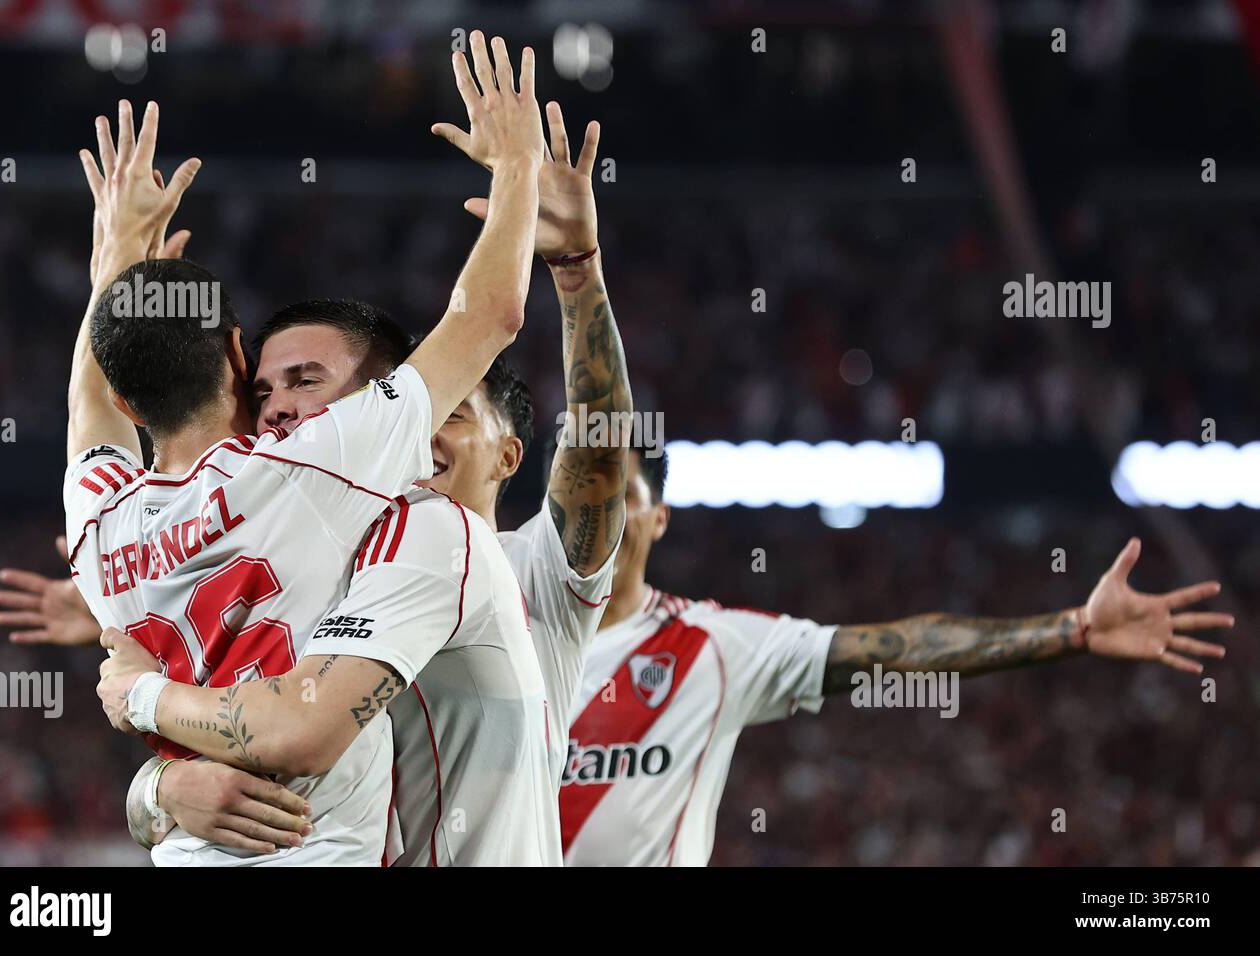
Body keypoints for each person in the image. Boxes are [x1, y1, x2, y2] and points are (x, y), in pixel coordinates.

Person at [75, 31, 556, 866]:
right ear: (233, 356)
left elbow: (90, 408)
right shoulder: (306, 471)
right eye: (266, 389)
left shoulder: (96, 526)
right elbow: (488, 318)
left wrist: (116, 263)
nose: (284, 410)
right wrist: (519, 168)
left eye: (307, 383)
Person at [556, 446, 1234, 865]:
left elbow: (903, 646)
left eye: (622, 495)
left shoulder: (716, 645)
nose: (597, 510)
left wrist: (1074, 627)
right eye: (580, 489)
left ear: (660, 517)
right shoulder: (509, 627)